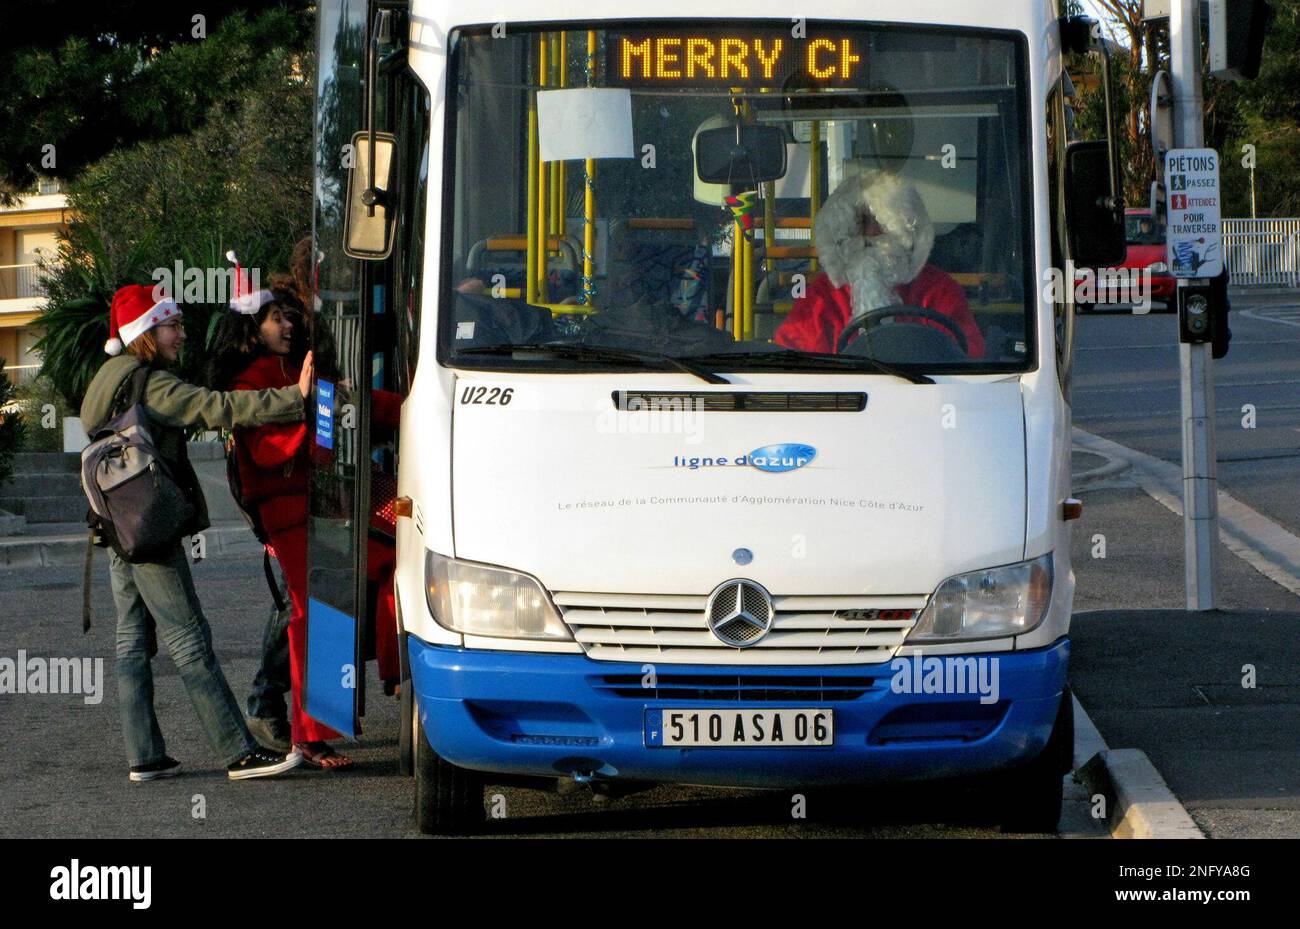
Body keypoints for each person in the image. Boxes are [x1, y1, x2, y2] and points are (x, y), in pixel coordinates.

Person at [80, 283, 312, 781]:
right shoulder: (152, 383)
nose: (181, 335)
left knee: (133, 639)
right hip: (149, 523)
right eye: (172, 326)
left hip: (115, 521)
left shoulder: (106, 377)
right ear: (146, 332)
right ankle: (239, 752)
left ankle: (144, 755)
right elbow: (219, 407)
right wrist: (296, 397)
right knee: (190, 638)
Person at [208, 279, 355, 769]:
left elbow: (320, 446)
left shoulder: (289, 370)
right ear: (254, 325)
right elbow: (270, 452)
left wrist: (330, 401)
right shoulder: (249, 378)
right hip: (285, 508)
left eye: (289, 317)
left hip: (312, 504)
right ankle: (308, 734)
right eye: (276, 318)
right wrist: (308, 400)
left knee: (324, 611)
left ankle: (316, 727)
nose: (288, 324)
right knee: (311, 616)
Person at [774, 170, 985, 358]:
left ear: (904, 227)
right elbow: (796, 363)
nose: (870, 234)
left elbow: (966, 358)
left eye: (881, 222)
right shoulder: (823, 295)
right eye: (860, 224)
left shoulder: (938, 290)